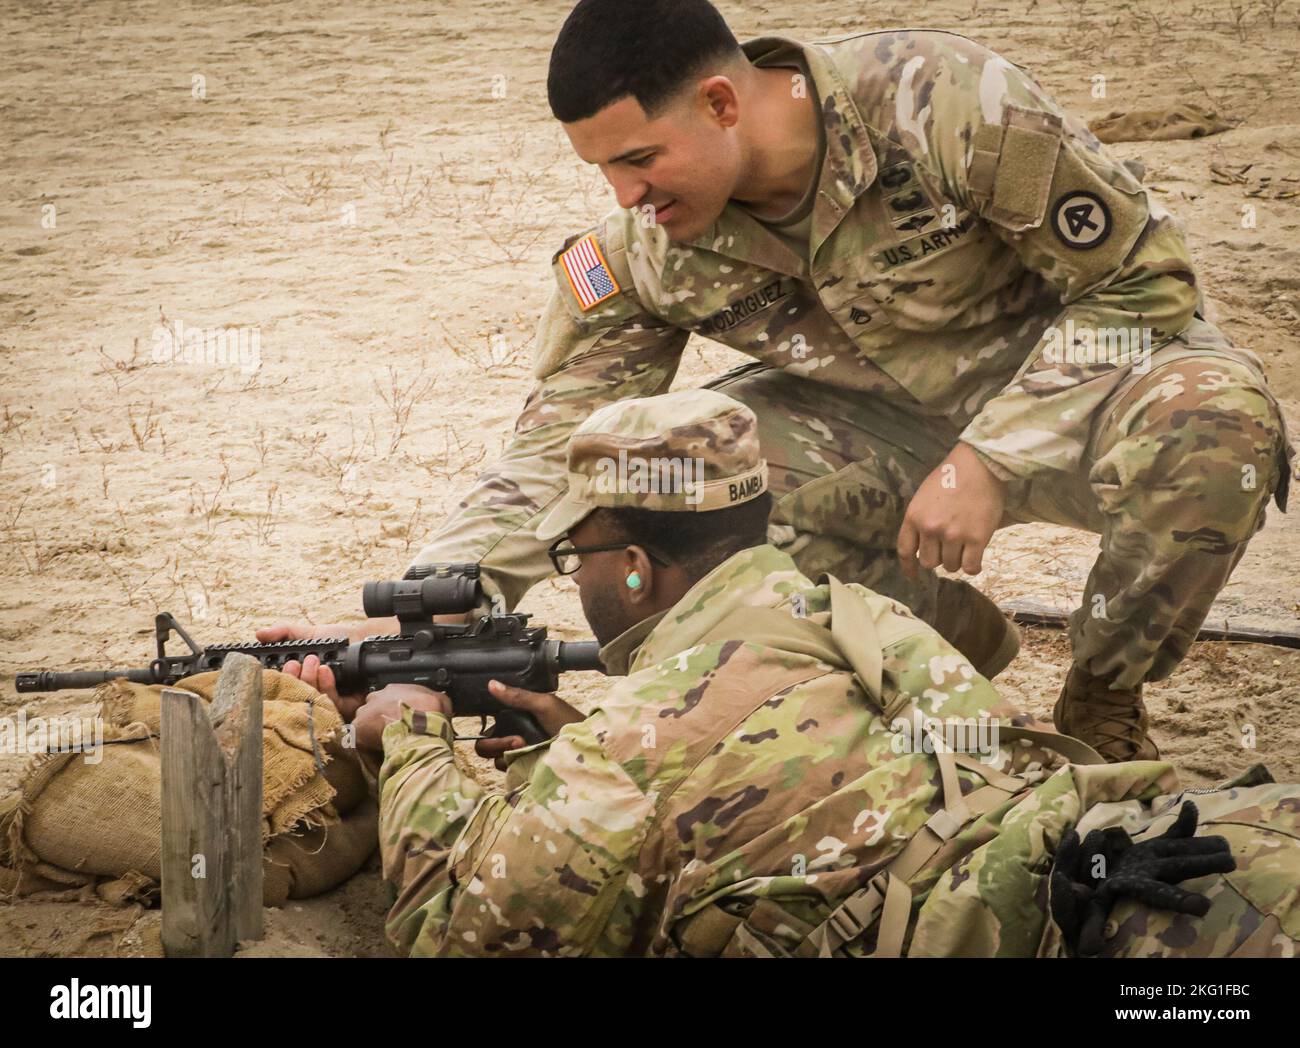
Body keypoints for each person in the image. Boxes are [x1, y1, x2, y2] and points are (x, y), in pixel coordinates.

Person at [261, 0, 1293, 765]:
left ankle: (1101, 702)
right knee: (639, 491)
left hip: (1079, 403)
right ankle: (918, 637)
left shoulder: (945, 105)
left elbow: (1143, 282)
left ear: (720, 102)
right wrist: (436, 613)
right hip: (876, 438)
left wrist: (990, 454)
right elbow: (553, 447)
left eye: (639, 159)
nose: (627, 196)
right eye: (602, 175)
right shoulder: (637, 250)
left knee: (1217, 422)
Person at [289, 390, 1298, 958]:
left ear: (635, 566)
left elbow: (462, 935)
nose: (578, 582)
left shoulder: (624, 757)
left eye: (577, 559)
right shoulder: (856, 619)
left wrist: (409, 740)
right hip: (1195, 852)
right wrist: (566, 755)